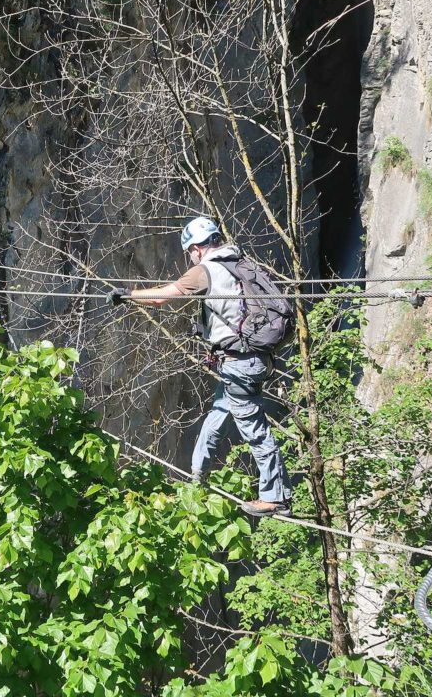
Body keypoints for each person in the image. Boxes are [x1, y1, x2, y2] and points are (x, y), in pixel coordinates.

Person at [106, 217, 294, 517]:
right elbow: (237, 308)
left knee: (254, 430)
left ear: (195, 248)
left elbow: (162, 298)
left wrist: (129, 296)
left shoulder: (206, 270)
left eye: (189, 252)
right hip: (249, 360)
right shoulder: (239, 262)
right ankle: (198, 475)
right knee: (219, 412)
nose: (190, 257)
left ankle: (275, 497)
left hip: (240, 364)